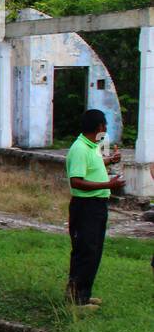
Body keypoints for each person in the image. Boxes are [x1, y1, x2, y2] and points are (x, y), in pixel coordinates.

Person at [64, 109, 124, 306]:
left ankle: (83, 294)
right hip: (86, 207)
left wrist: (110, 160)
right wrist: (109, 184)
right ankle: (77, 299)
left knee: (93, 251)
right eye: (105, 125)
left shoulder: (91, 146)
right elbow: (76, 181)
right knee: (85, 251)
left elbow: (93, 166)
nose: (105, 129)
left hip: (97, 205)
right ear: (100, 127)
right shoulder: (80, 148)